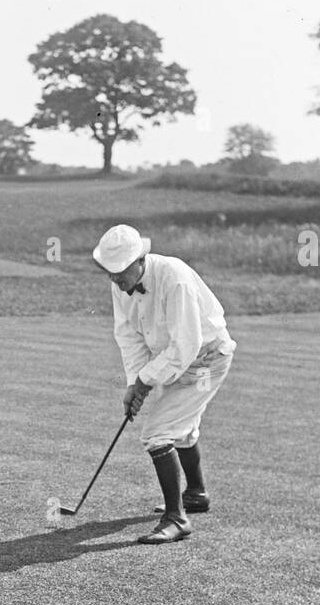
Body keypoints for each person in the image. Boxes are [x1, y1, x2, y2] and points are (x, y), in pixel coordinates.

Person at [94, 224, 235, 545]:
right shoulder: (121, 284)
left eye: (120, 271)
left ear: (141, 259)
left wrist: (146, 380)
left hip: (206, 360)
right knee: (180, 428)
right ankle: (196, 494)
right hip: (177, 359)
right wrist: (134, 383)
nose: (115, 279)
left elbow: (186, 344)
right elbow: (128, 337)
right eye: (109, 272)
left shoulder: (175, 277)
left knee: (158, 432)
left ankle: (176, 518)